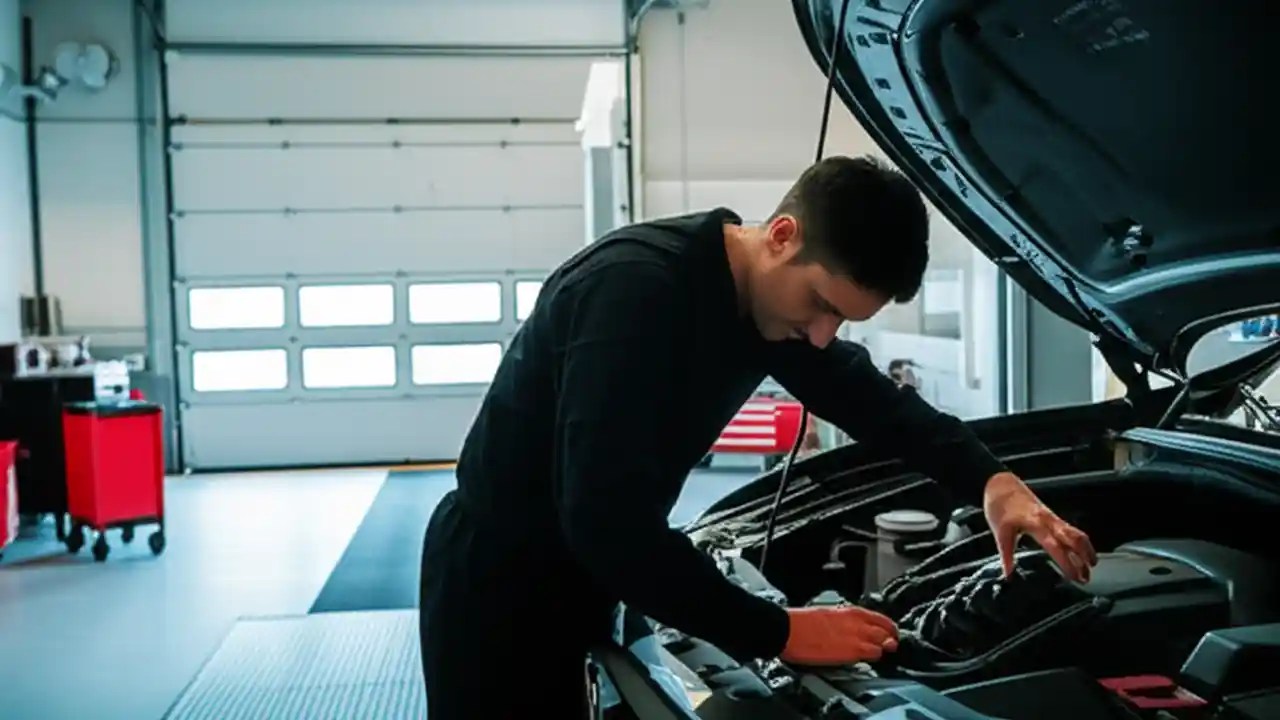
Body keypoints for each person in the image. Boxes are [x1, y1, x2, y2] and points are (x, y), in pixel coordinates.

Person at [417, 155, 1098, 717]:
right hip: (499, 585)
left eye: (843, 321)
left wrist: (992, 482)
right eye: (824, 307)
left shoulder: (767, 304)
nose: (823, 336)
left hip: (581, 578)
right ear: (781, 236)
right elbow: (602, 520)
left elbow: (867, 398)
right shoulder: (634, 294)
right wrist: (781, 631)